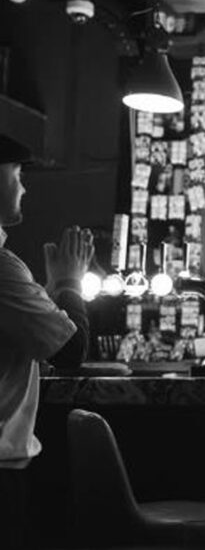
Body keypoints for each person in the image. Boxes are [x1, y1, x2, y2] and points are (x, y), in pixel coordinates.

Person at [0, 134, 94, 548]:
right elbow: (71, 351)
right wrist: (69, 281)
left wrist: (57, 287)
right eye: (17, 174)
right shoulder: (2, 269)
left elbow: (40, 336)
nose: (25, 186)